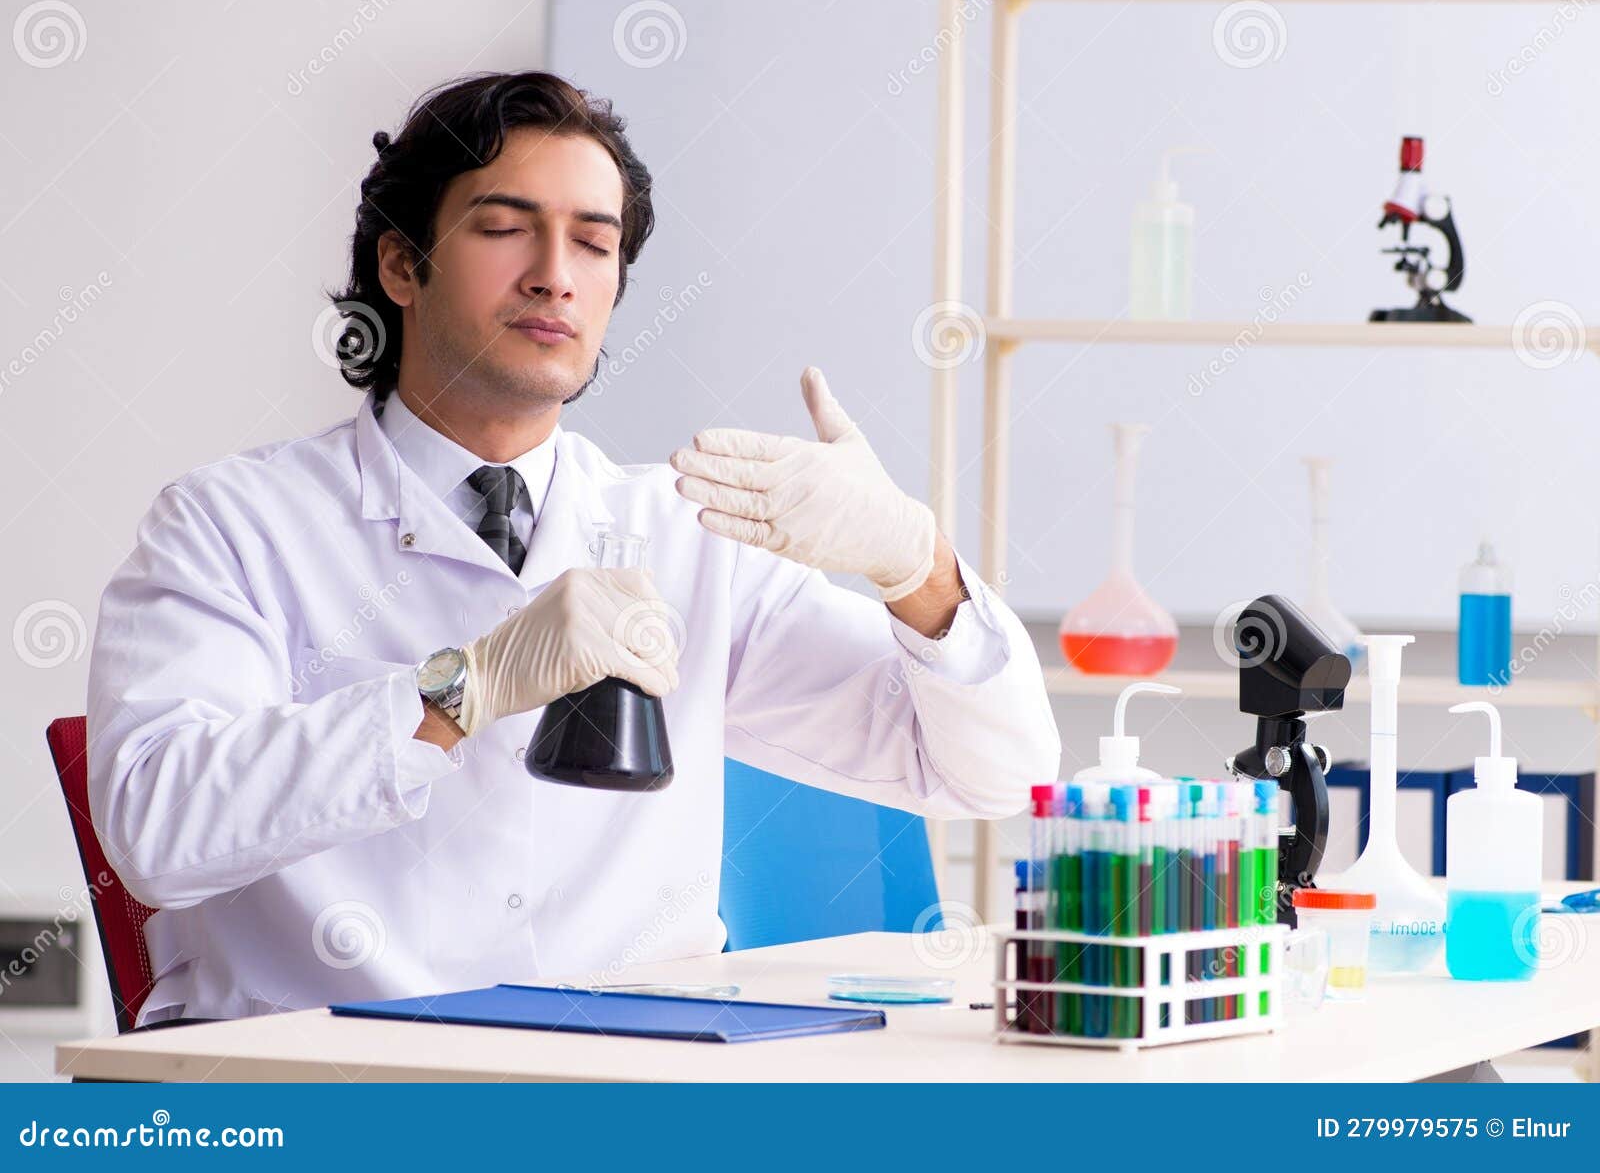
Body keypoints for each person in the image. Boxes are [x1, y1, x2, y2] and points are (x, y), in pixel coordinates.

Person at [86, 71, 1060, 1024]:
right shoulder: (232, 524)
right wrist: (459, 690)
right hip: (336, 1079)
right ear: (401, 266)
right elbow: (156, 833)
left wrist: (915, 567)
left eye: (594, 243)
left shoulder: (690, 534)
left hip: (634, 1078)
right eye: (505, 228)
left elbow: (995, 776)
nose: (555, 272)